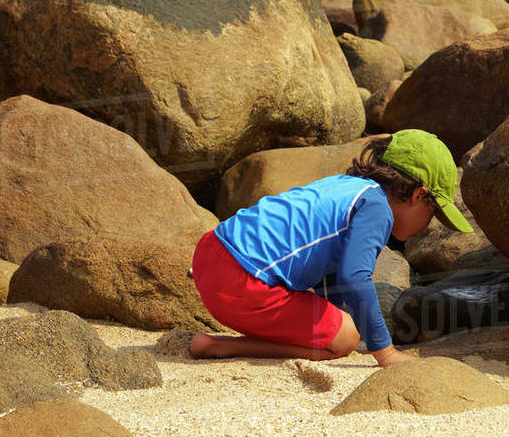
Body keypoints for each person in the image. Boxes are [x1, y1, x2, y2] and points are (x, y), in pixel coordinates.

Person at [188, 129, 472, 366]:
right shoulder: (377, 208)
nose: (427, 225)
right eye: (432, 214)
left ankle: (226, 344)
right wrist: (384, 352)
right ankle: (223, 346)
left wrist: (334, 322)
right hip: (239, 281)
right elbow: (354, 278)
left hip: (211, 252)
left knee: (341, 332)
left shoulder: (346, 186)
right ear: (418, 195)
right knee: (345, 339)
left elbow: (331, 272)